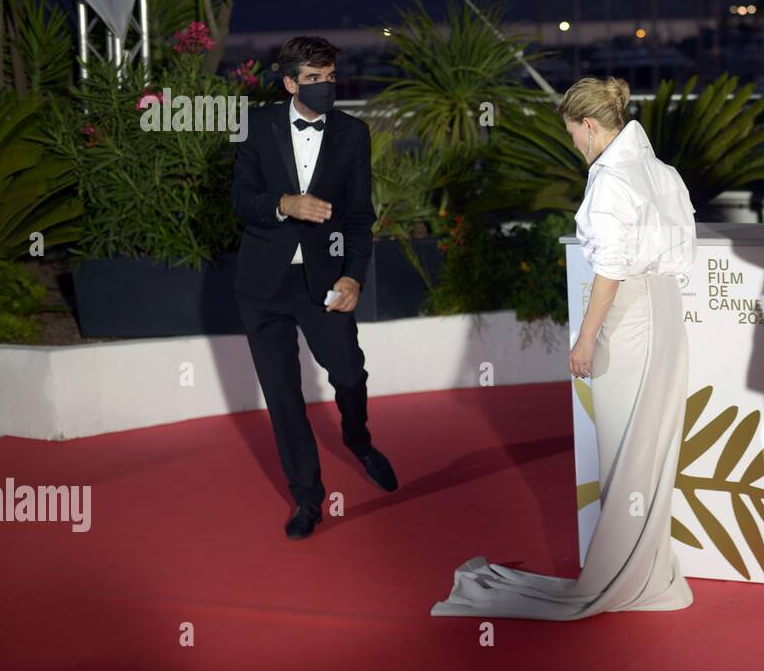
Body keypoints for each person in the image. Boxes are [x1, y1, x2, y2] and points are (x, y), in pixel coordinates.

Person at [431, 76, 698, 620]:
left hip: (629, 320)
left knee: (626, 452)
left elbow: (609, 269)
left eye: (573, 132)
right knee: (649, 451)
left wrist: (586, 337)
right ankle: (646, 572)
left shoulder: (613, 180)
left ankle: (621, 579)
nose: (574, 143)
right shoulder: (660, 171)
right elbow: (679, 249)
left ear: (591, 125)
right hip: (667, 316)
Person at [231, 35, 399, 540]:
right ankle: (307, 499)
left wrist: (352, 276)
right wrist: (285, 204)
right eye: (314, 80)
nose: (326, 87)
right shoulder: (257, 126)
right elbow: (241, 198)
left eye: (330, 78)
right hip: (262, 284)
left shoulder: (353, 133)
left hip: (324, 281)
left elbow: (360, 216)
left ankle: (358, 439)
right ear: (289, 83)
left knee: (348, 373)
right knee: (283, 397)